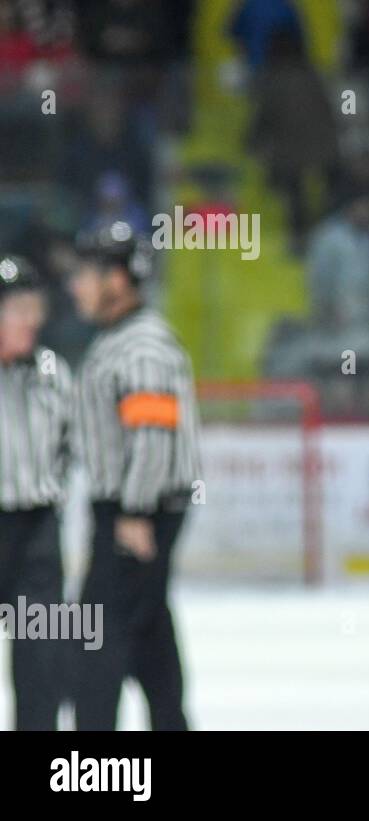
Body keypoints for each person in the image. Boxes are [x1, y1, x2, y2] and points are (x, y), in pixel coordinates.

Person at [67, 221, 201, 730]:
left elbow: (152, 436)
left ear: (117, 280)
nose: (76, 286)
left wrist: (135, 512)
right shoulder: (121, 340)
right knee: (148, 638)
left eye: (85, 273)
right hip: (133, 510)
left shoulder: (141, 346)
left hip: (135, 512)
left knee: (97, 641)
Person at [0, 254, 73, 730]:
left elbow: (71, 447)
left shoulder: (54, 373)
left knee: (41, 662)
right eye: (18, 309)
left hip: (37, 536)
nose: (32, 320)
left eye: (35, 308)